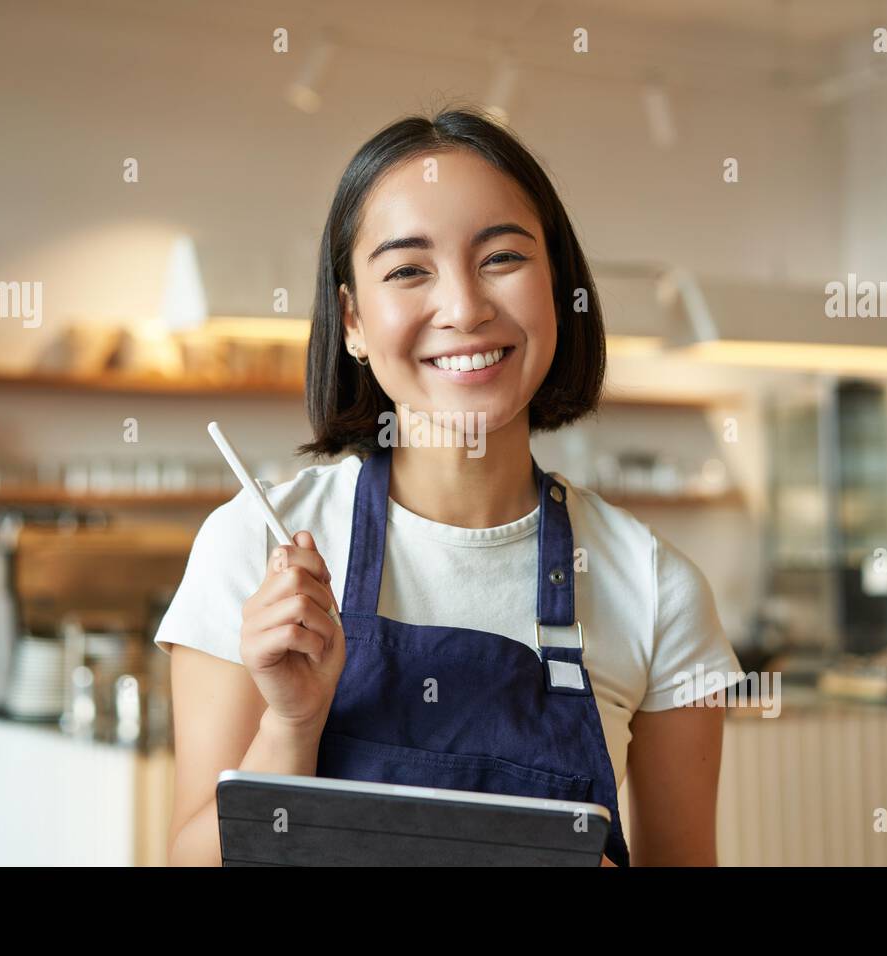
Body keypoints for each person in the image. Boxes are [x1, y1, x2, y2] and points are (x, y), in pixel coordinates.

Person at [156, 105, 743, 866]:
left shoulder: (658, 589)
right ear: (353, 320)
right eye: (407, 270)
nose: (465, 308)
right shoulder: (255, 546)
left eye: (502, 257)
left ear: (560, 286)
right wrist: (290, 726)